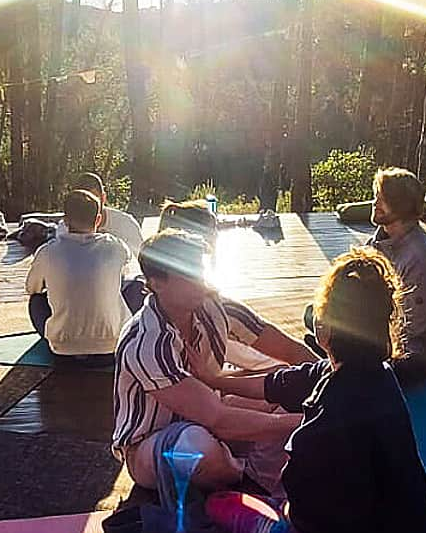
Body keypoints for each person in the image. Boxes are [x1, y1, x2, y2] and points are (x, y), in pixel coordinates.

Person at [200, 248, 426, 533]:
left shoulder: (322, 425)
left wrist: (282, 505)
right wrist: (214, 380)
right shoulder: (377, 376)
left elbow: (302, 515)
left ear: (325, 329)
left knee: (220, 505)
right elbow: (279, 382)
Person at [111, 230, 316, 494]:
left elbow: (290, 350)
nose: (199, 280)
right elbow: (215, 417)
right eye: (186, 272)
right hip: (152, 443)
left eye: (198, 268)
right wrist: (315, 419)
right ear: (156, 284)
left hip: (212, 414)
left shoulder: (215, 308)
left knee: (291, 382)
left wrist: (336, 383)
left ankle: (261, 480)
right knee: (197, 448)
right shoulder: (146, 342)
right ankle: (247, 477)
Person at [306, 168, 426, 385]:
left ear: (402, 206)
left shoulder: (421, 257)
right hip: (378, 327)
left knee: (371, 369)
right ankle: (341, 360)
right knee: (314, 313)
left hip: (419, 349)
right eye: (376, 196)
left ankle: (340, 363)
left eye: (382, 199)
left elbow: (411, 327)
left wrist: (360, 339)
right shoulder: (380, 241)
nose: (375, 203)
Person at [26, 190, 133, 366]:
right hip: (110, 350)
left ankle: (62, 336)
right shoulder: (116, 247)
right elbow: (127, 269)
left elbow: (32, 288)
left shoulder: (47, 251)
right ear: (99, 219)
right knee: (130, 286)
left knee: (36, 300)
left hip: (63, 351)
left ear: (65, 220)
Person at [56, 171, 144, 256]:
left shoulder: (127, 225)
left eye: (93, 198)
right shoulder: (64, 228)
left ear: (103, 198)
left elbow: (140, 264)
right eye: (80, 202)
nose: (87, 206)